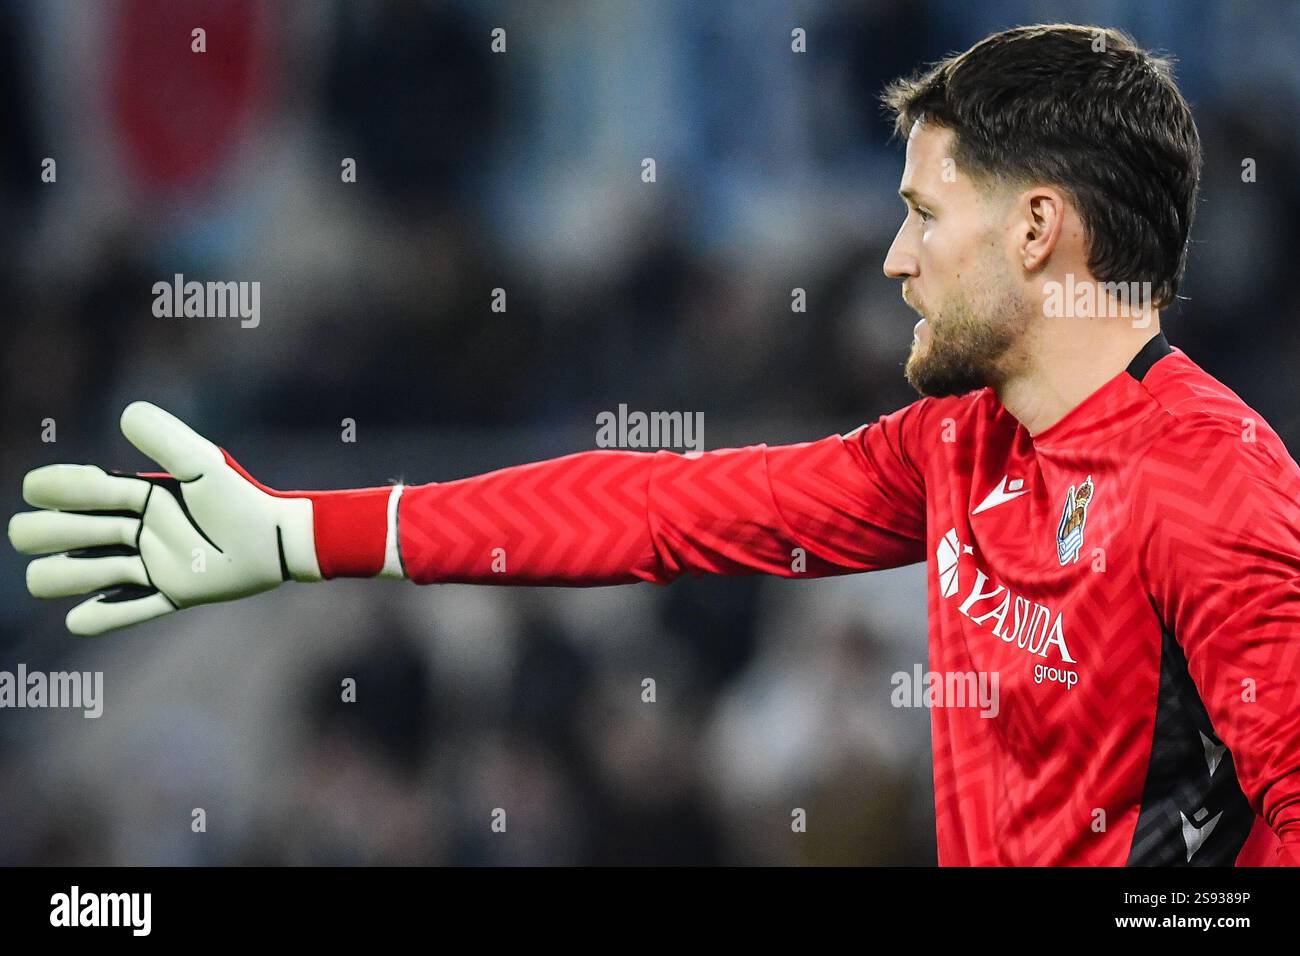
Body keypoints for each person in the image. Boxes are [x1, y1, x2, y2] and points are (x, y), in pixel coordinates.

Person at [10, 24, 1299, 866]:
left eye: (925, 217)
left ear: (1035, 234)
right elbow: (651, 510)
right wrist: (300, 532)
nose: (896, 259)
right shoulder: (950, 448)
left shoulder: (1215, 493)